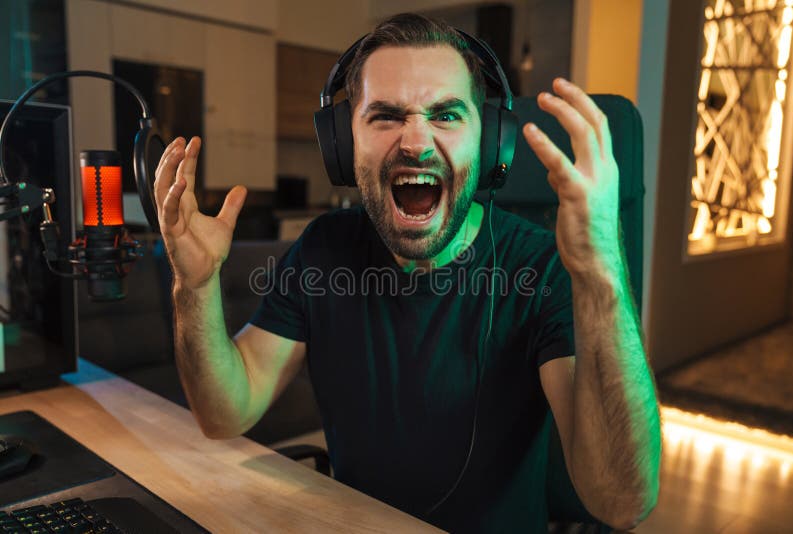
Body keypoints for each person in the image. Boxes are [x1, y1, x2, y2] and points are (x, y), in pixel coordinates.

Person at [153, 13, 661, 533]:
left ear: (488, 144)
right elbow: (224, 415)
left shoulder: (540, 266)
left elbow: (620, 502)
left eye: (445, 115)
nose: (416, 143)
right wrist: (194, 286)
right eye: (386, 116)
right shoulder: (323, 251)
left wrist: (601, 274)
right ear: (343, 143)